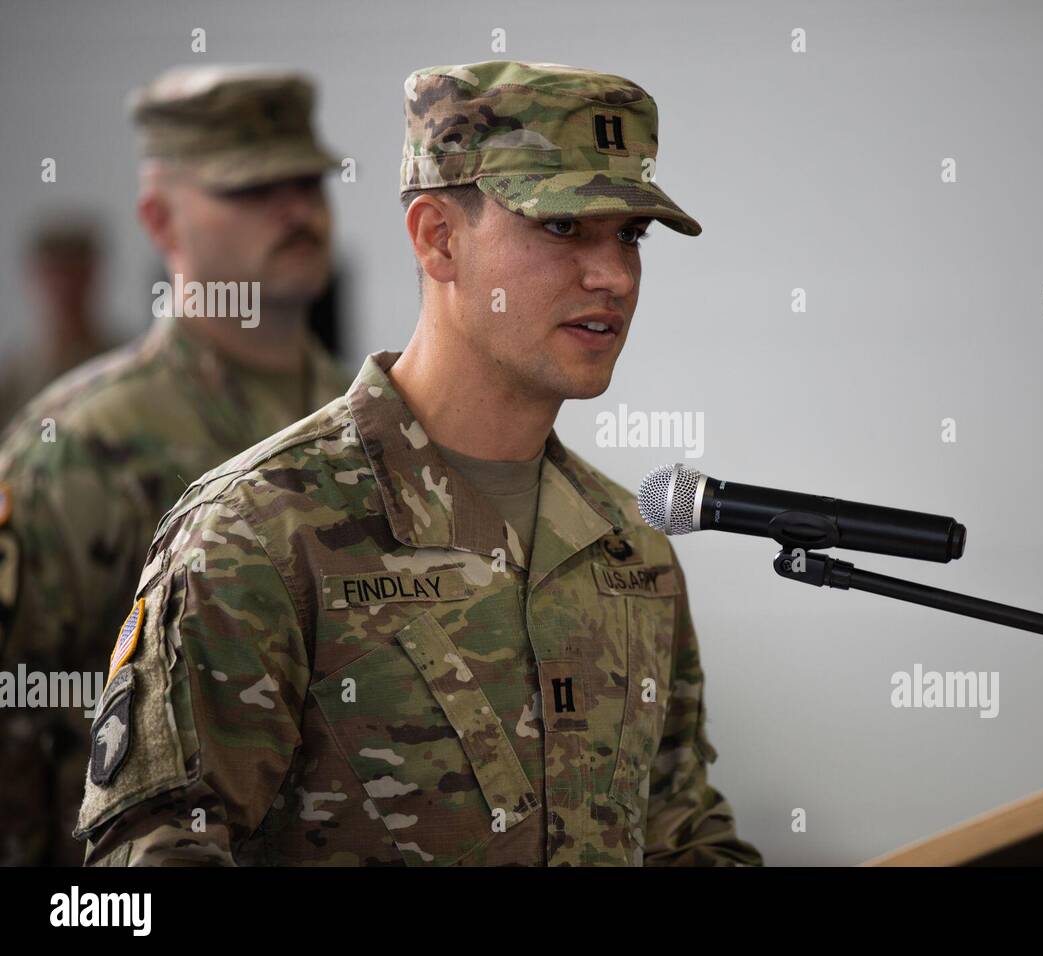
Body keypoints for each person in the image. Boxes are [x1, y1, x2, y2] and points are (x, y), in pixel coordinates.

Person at [76, 60, 761, 867]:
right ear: (439, 238)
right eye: (563, 227)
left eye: (631, 235)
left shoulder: (629, 549)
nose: (611, 275)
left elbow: (681, 836)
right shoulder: (259, 533)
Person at [0, 65, 350, 866]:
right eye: (251, 189)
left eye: (306, 181)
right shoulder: (81, 447)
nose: (296, 210)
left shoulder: (368, 424)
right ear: (161, 219)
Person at [0, 219, 118, 428]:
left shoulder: (122, 361)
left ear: (92, 274)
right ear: (34, 277)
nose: (64, 287)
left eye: (74, 272)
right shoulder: (15, 376)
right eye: (54, 273)